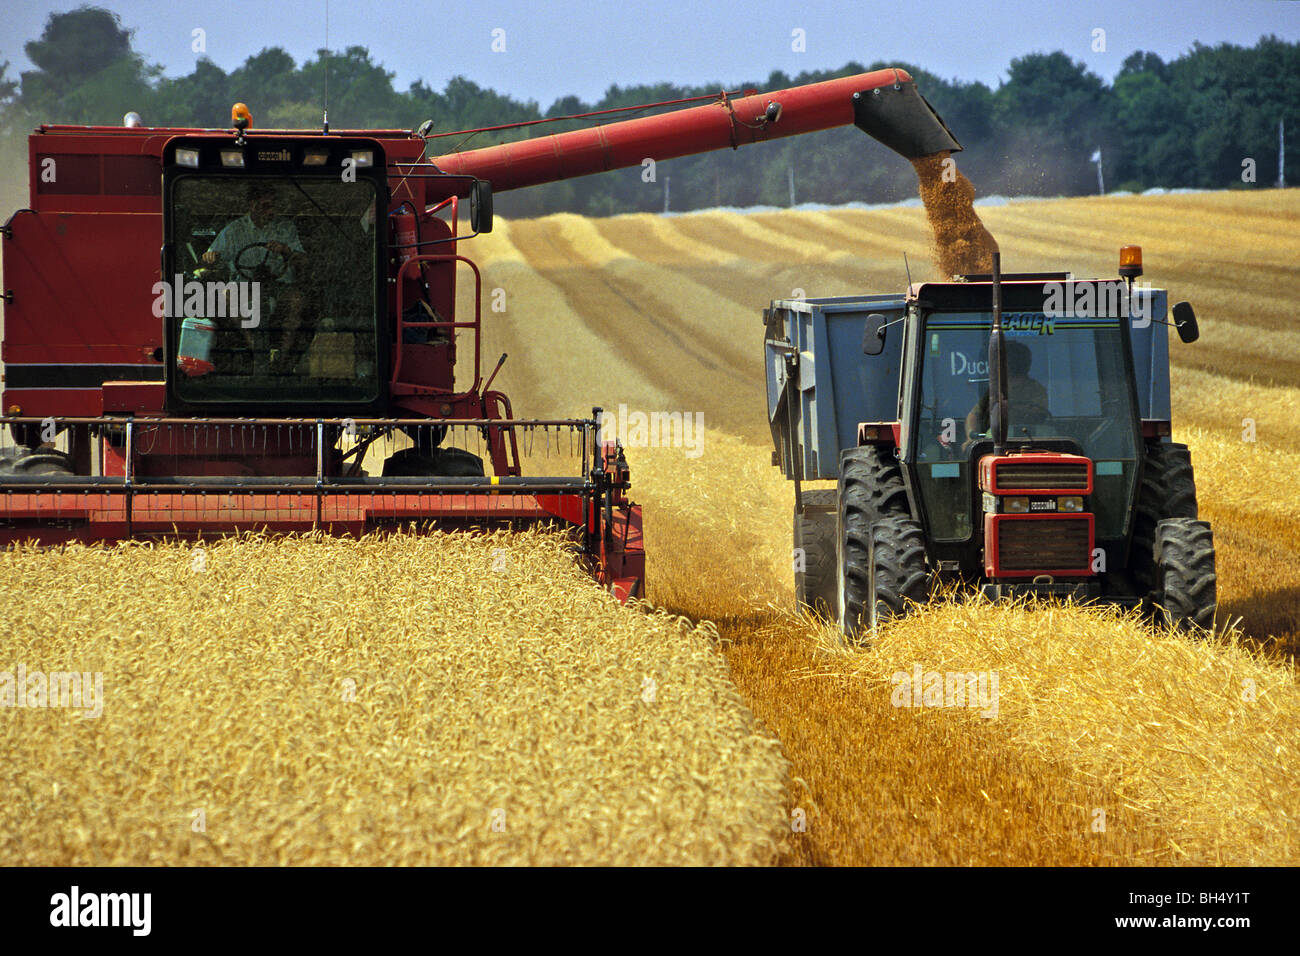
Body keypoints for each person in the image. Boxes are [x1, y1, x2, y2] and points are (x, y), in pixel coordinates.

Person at [202, 183, 308, 374]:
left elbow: (303, 259)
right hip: (246, 286)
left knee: (296, 300)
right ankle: (258, 350)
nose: (271, 211)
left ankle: (282, 359)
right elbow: (212, 255)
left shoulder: (285, 228)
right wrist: (211, 257)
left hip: (279, 285)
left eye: (273, 206)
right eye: (265, 206)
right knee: (227, 295)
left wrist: (286, 250)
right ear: (252, 206)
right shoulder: (234, 230)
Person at [965, 339, 1051, 440]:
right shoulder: (996, 388)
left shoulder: (1036, 389)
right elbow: (974, 414)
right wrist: (970, 438)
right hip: (998, 442)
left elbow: (1038, 414)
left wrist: (1007, 406)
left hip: (1031, 439)